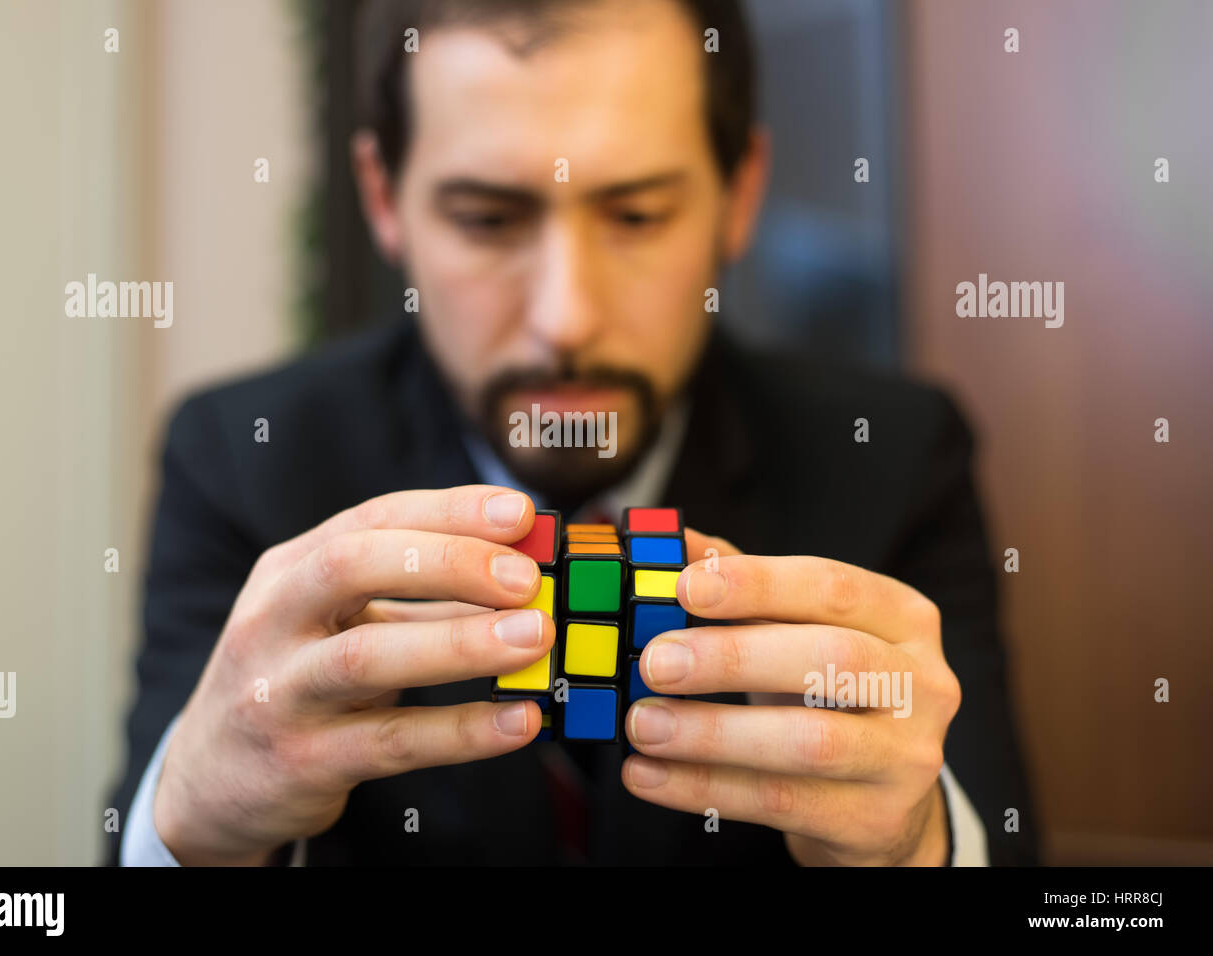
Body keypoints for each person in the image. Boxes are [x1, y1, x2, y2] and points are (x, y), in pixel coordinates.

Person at [107, 0, 1038, 866]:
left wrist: (919, 846)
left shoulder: (896, 456)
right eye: (487, 219)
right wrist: (193, 814)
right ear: (384, 198)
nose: (567, 318)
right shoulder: (242, 457)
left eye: (636, 215)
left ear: (740, 193)